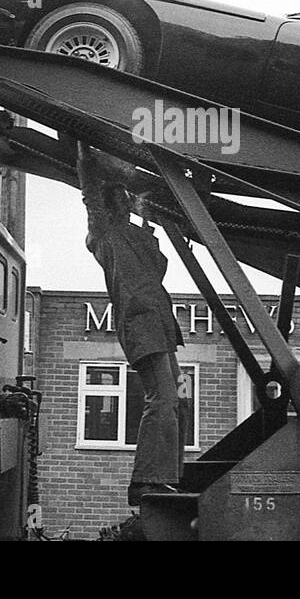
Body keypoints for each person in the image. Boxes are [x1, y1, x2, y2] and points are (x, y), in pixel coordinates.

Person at [76, 143, 188, 528]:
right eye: (120, 200)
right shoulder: (104, 233)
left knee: (174, 399)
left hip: (159, 326)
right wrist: (83, 148)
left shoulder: (133, 234)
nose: (125, 204)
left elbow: (157, 267)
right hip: (142, 326)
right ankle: (147, 481)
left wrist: (144, 221)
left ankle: (168, 476)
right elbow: (90, 191)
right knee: (164, 400)